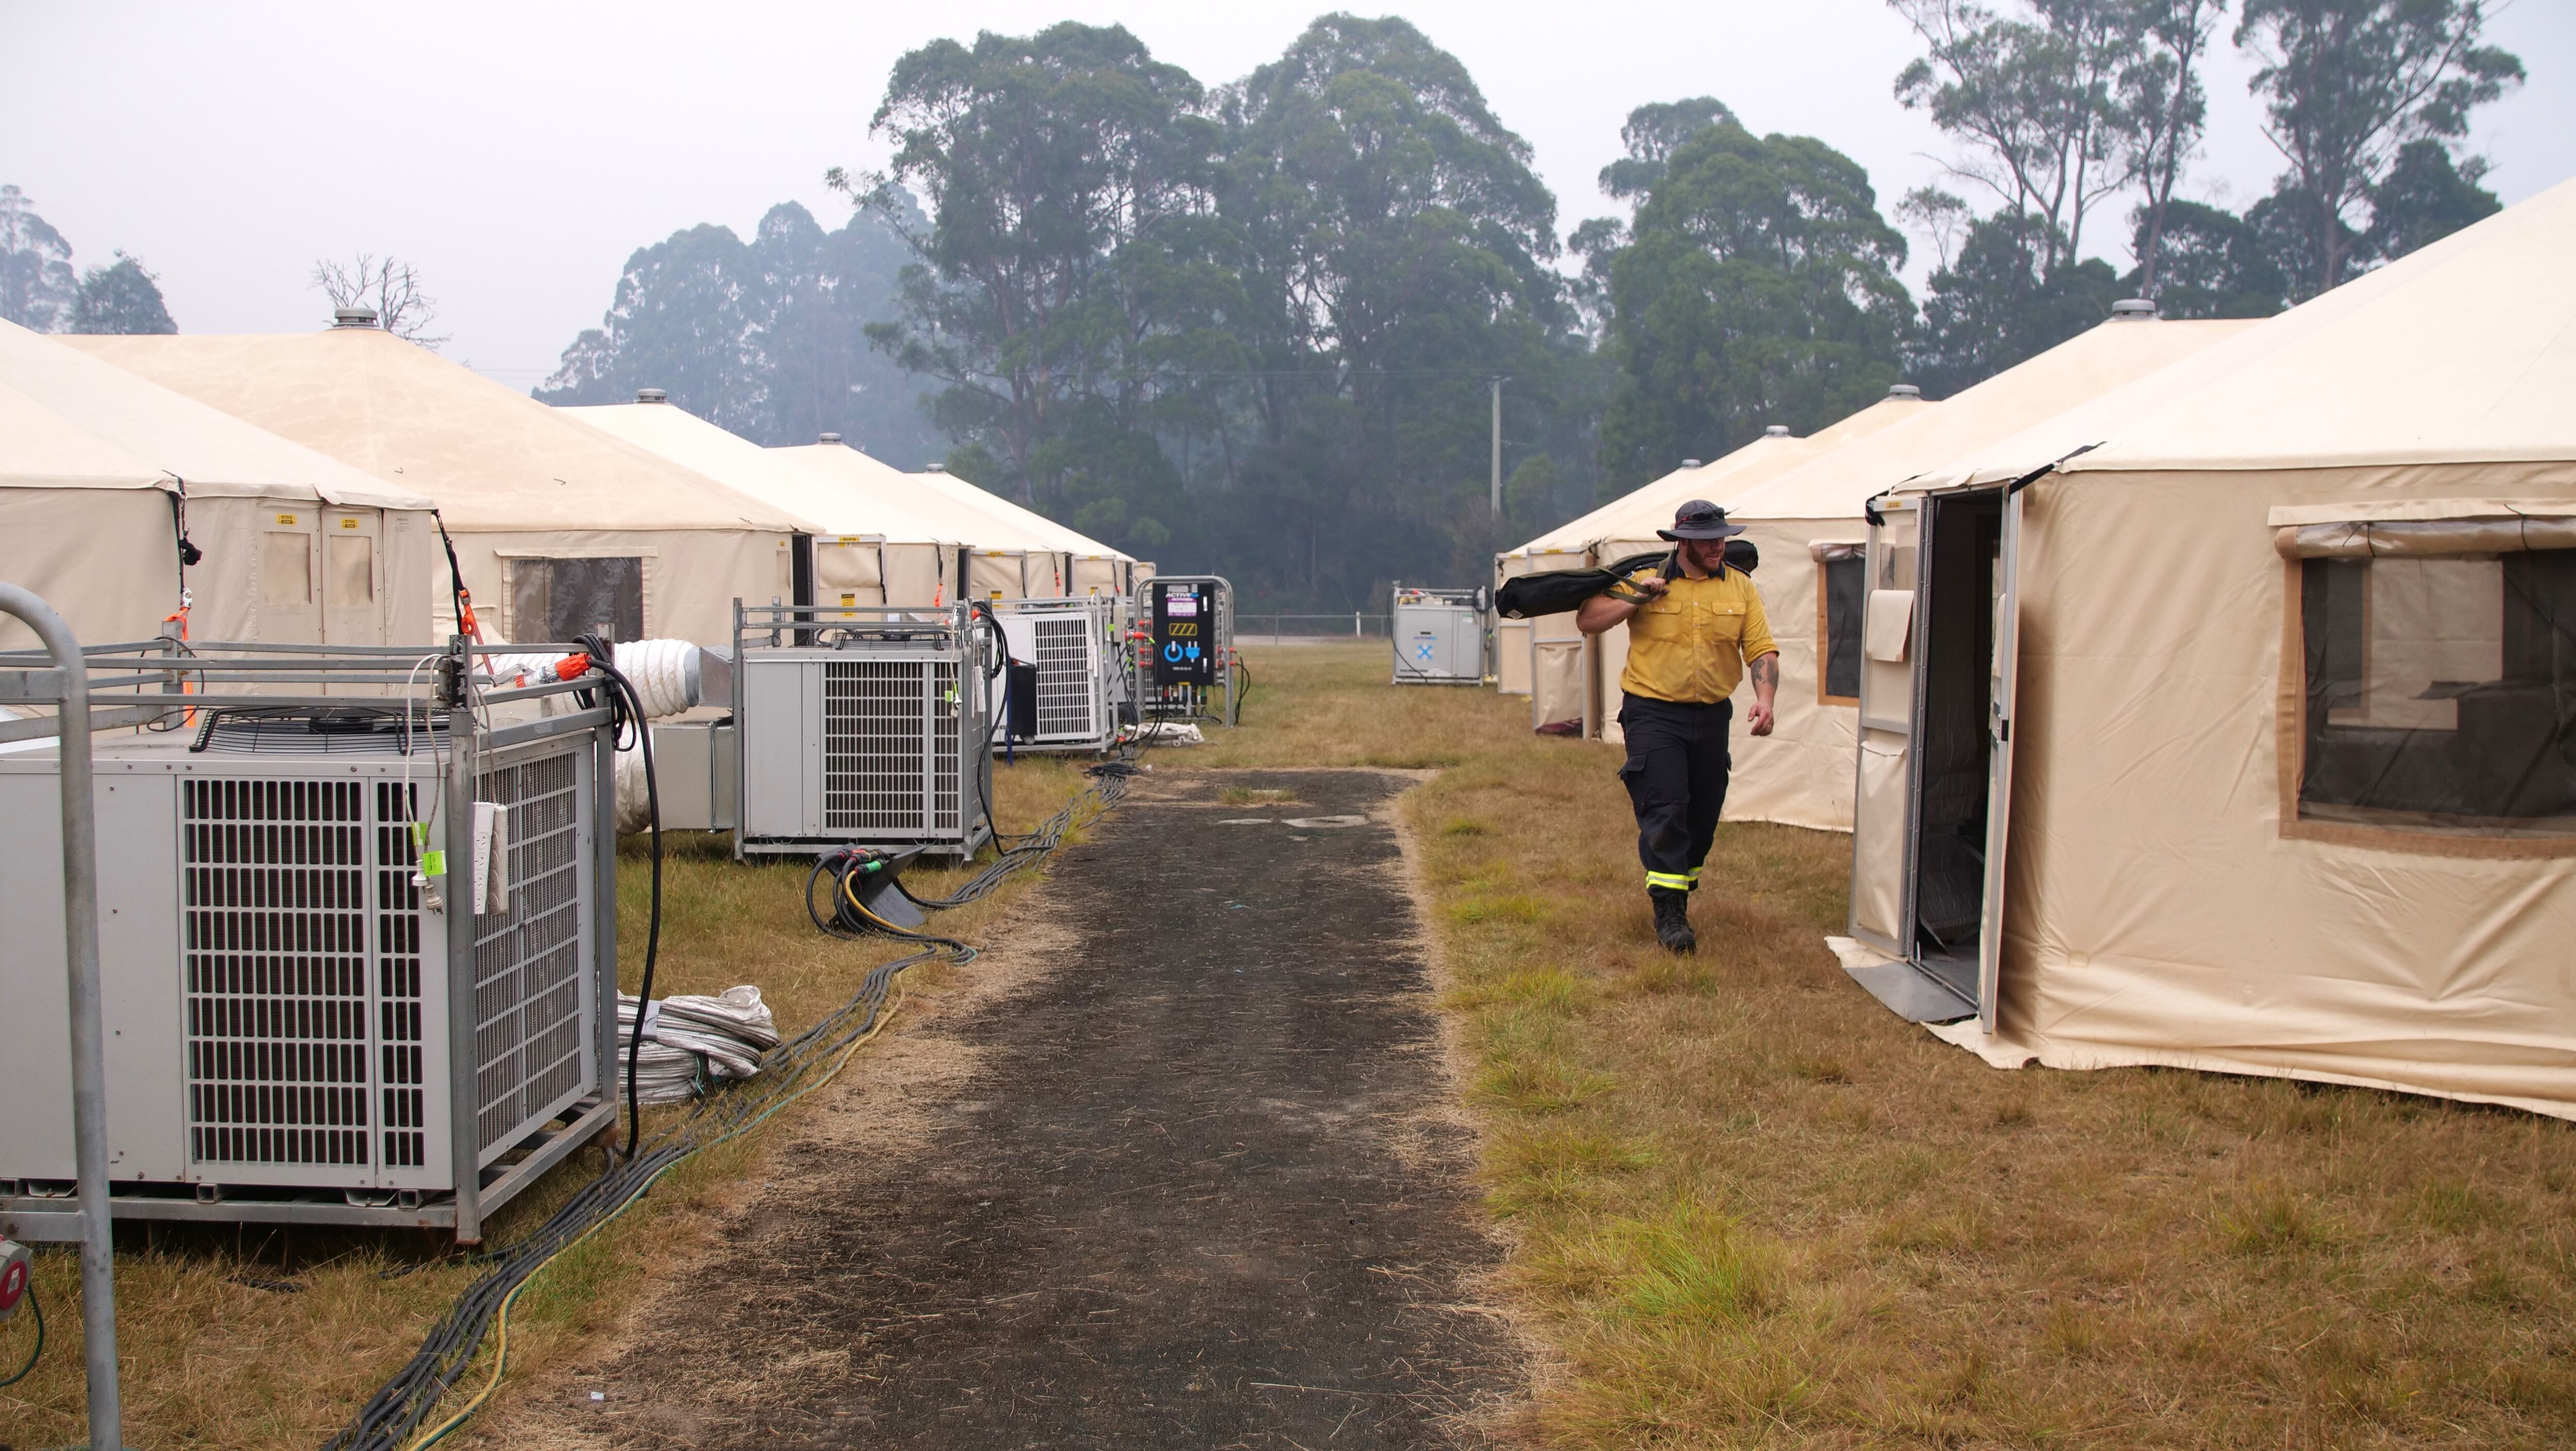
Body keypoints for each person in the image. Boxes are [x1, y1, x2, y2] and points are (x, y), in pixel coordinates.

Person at [1575, 499, 1777, 953]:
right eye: (1709, 540)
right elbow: (1588, 620)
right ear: (1683, 541)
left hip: (1712, 716)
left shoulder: (1741, 588)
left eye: (1722, 537)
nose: (1718, 546)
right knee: (1666, 809)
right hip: (1653, 714)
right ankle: (1670, 914)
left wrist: (1766, 701)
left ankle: (1679, 887)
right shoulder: (1648, 579)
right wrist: (1637, 598)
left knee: (1702, 815)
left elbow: (1761, 648)